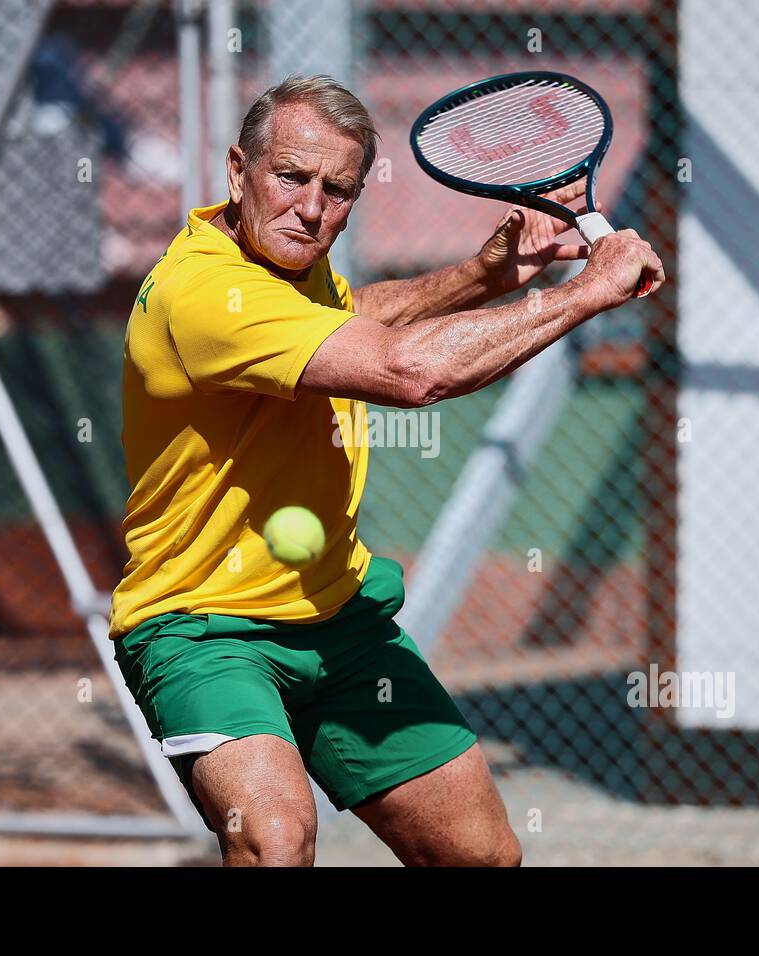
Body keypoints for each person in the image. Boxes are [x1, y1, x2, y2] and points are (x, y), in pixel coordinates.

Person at [110, 74, 664, 866]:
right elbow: (410, 374)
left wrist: (487, 274)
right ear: (239, 171)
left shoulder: (288, 267)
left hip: (339, 620)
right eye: (291, 177)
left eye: (337, 190)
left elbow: (349, 317)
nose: (311, 206)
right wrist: (583, 296)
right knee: (274, 839)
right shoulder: (204, 292)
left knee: (482, 856)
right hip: (204, 626)